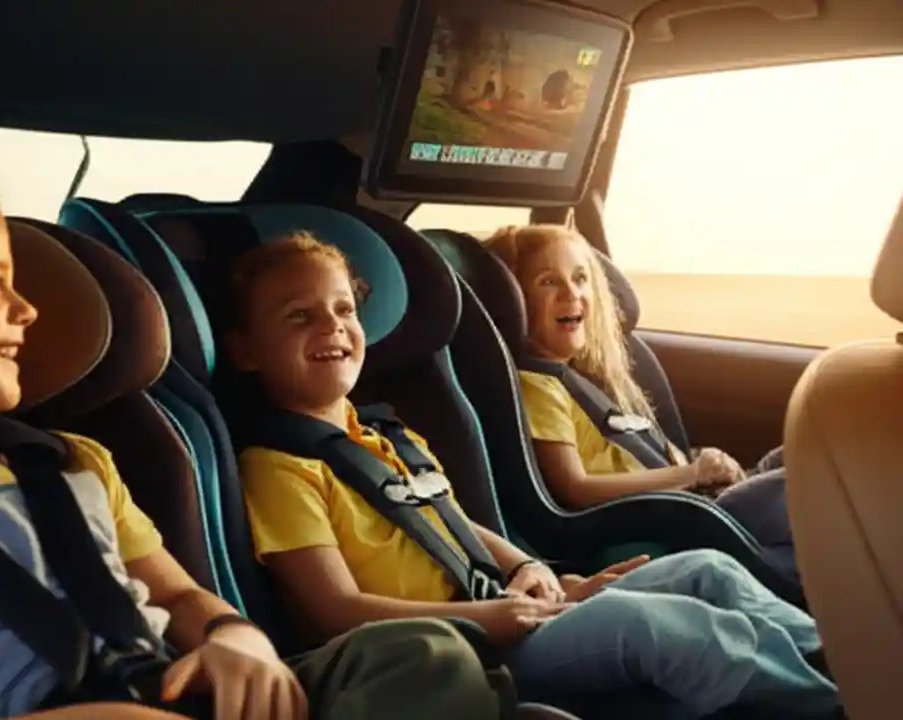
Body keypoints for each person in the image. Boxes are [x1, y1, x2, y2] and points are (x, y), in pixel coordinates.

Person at [0, 121, 503, 720]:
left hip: (170, 691)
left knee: (423, 655)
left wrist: (236, 638)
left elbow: (186, 600)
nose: (26, 308)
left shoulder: (73, 462)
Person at [224, 231, 840, 718]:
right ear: (245, 351)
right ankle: (845, 707)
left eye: (342, 309)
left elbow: (458, 526)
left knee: (707, 571)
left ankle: (850, 662)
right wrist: (492, 617)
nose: (331, 326)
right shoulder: (278, 466)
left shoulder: (388, 434)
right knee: (657, 628)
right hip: (460, 653)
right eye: (299, 317)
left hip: (505, 610)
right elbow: (333, 611)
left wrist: (529, 570)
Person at [483, 224, 794, 576]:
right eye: (548, 281)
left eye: (581, 278)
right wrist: (690, 474)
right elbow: (575, 488)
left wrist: (704, 463)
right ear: (513, 303)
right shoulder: (536, 387)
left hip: (701, 500)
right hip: (686, 518)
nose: (572, 293)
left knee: (806, 452)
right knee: (809, 479)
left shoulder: (577, 378)